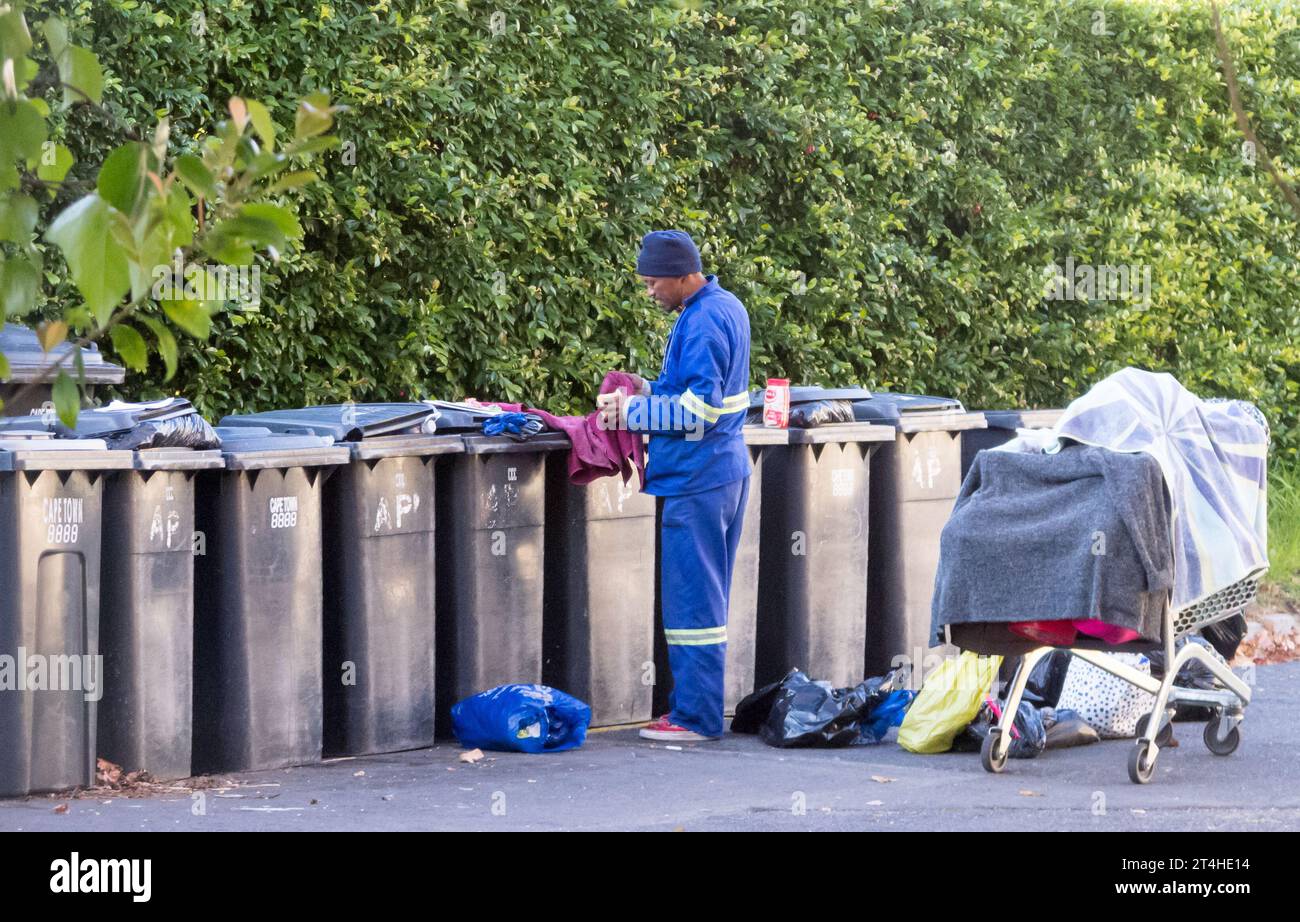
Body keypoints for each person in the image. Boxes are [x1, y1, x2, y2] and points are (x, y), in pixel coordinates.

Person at [596, 229, 752, 741]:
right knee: (706, 595)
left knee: (693, 602)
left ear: (685, 275)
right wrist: (645, 387)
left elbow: (699, 412)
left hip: (697, 479)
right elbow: (691, 391)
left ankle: (695, 718)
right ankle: (693, 709)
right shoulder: (722, 306)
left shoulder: (703, 321)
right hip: (721, 473)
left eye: (654, 282)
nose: (649, 292)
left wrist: (630, 411)